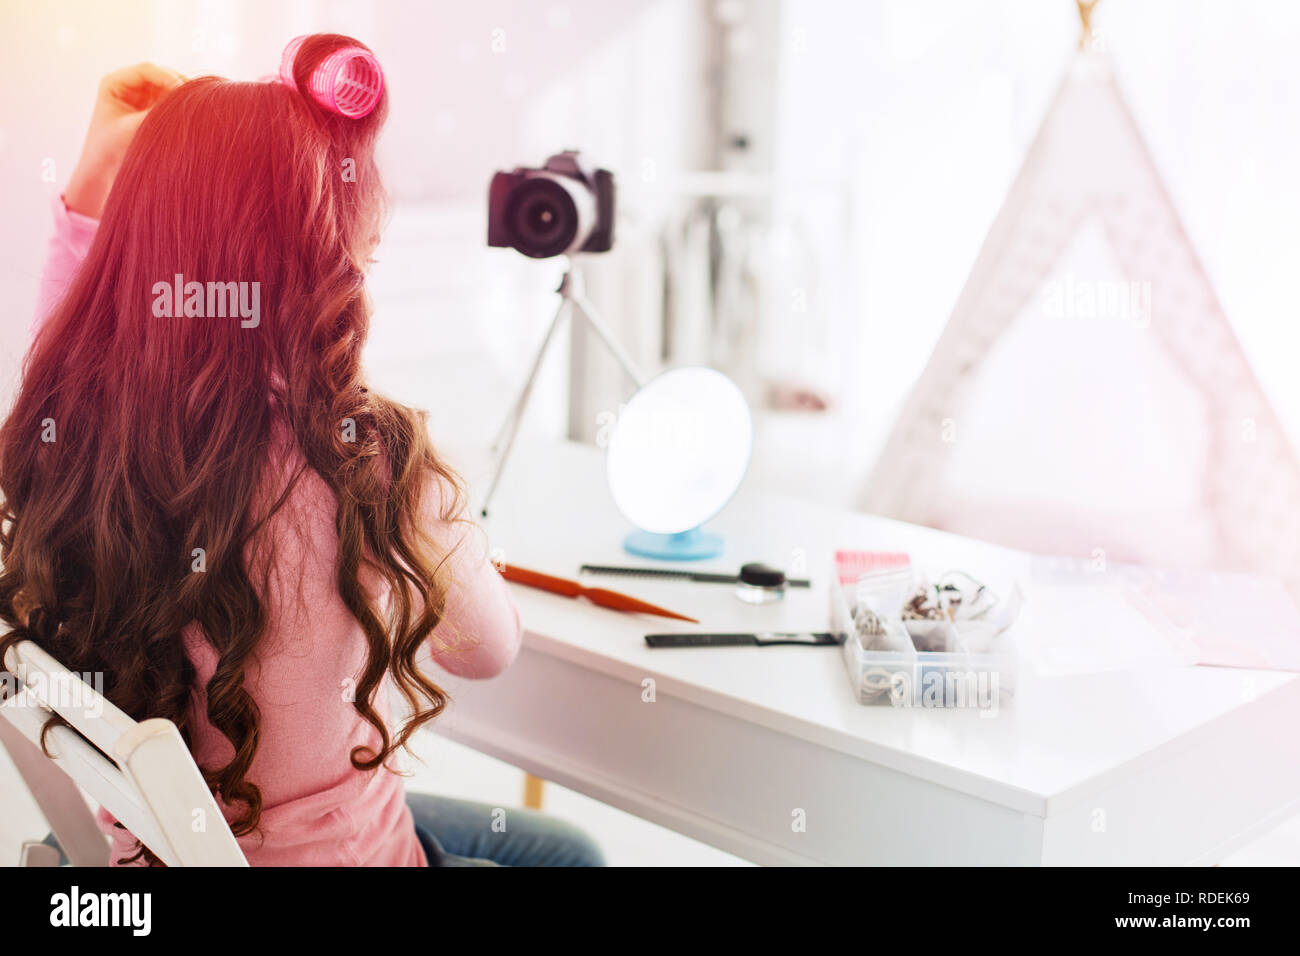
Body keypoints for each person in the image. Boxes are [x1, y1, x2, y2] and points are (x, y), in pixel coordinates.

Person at [0, 33, 602, 867]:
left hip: (164, 853)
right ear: (330, 269)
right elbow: (489, 651)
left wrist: (92, 186)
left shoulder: (74, 439)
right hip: (346, 856)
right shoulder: (371, 460)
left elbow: (66, 348)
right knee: (569, 854)